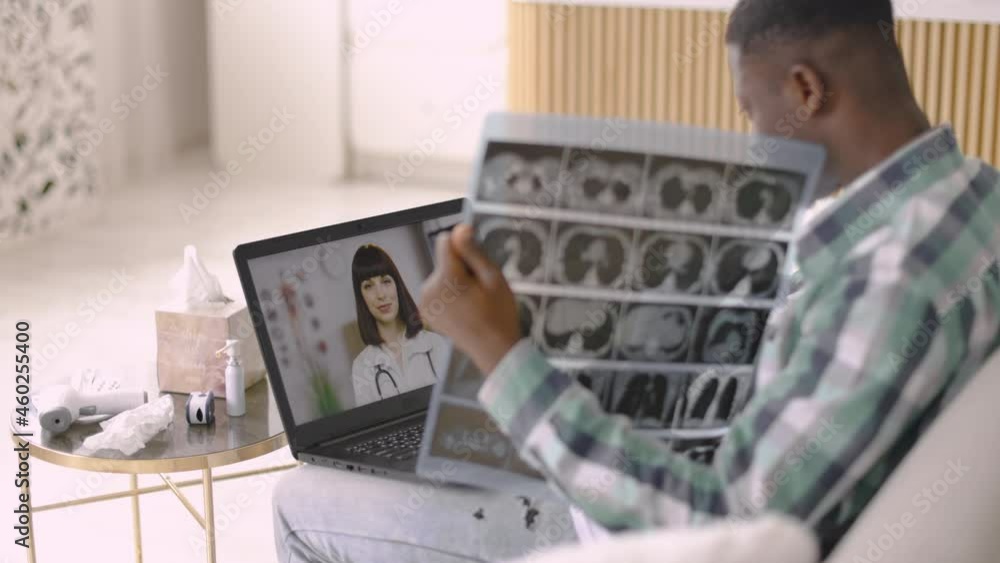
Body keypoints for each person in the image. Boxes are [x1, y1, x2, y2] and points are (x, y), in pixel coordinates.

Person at [273, 1, 1000, 560]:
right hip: (697, 448)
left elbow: (727, 527)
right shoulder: (973, 200)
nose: (753, 140)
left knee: (299, 500)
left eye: (752, 109)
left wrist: (503, 359)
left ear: (805, 89)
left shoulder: (883, 285)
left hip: (642, 522)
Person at [349, 244, 448, 406]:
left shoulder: (435, 344)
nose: (381, 294)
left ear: (397, 286)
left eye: (386, 281)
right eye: (368, 286)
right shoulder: (361, 367)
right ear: (361, 298)